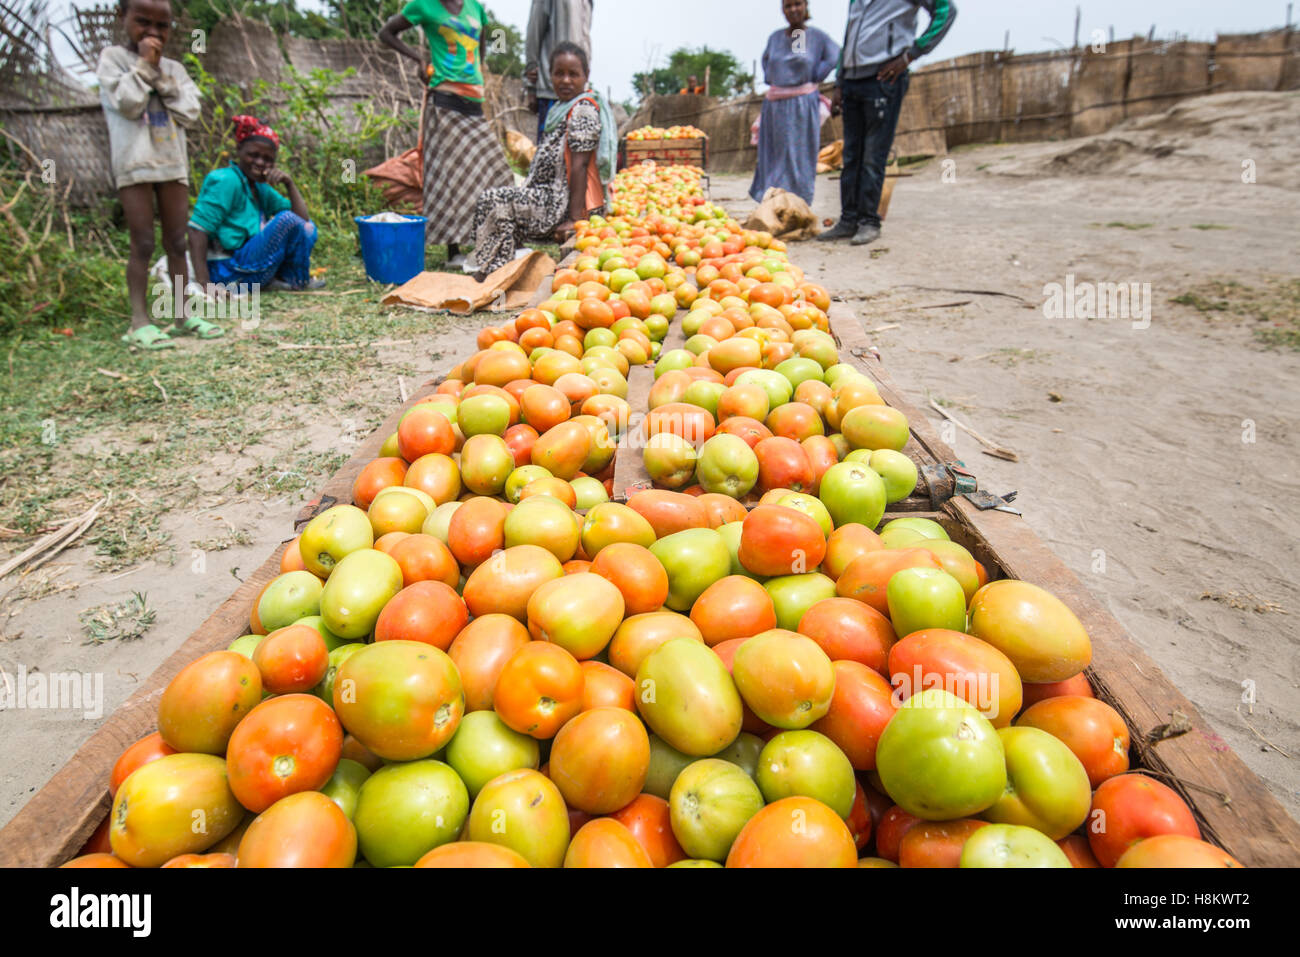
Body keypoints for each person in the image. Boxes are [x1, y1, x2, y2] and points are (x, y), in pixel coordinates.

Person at [96, 0, 205, 350]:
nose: (154, 33)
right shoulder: (113, 60)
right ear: (122, 18)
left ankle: (183, 314)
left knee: (177, 241)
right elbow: (128, 103)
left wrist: (162, 78)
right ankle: (139, 321)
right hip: (134, 165)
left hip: (172, 165)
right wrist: (145, 67)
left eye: (163, 26)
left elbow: (191, 111)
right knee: (142, 242)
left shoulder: (174, 68)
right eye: (143, 23)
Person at [380, 0, 514, 270]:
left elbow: (482, 47)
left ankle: (492, 239)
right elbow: (386, 33)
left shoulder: (475, 8)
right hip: (444, 100)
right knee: (450, 176)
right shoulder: (424, 6)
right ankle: (453, 251)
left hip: (474, 101)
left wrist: (476, 73)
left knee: (497, 169)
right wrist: (419, 58)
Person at [469, 41, 615, 281]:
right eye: (559, 74)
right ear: (550, 76)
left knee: (494, 201)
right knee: (498, 197)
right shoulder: (561, 108)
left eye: (573, 74)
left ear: (585, 76)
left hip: (563, 204)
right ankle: (506, 267)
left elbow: (579, 165)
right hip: (551, 197)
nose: (565, 80)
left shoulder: (583, 110)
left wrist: (574, 220)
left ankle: (495, 271)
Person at [819, 0, 957, 246]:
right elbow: (850, 34)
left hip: (882, 79)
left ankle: (869, 221)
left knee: (873, 155)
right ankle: (848, 219)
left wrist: (911, 54)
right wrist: (840, 81)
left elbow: (946, 11)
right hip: (852, 80)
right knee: (851, 156)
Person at [187, 116, 324, 295]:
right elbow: (197, 230)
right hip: (228, 271)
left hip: (252, 270)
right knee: (286, 219)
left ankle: (294, 280)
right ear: (239, 150)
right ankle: (280, 279)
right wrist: (204, 283)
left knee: (307, 227)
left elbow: (303, 220)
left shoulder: (258, 187)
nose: (260, 163)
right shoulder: (226, 181)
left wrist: (289, 184)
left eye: (268, 159)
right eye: (253, 155)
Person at [749, 0, 840, 206]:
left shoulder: (803, 36)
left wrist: (817, 74)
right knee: (774, 156)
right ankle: (773, 205)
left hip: (798, 106)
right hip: (775, 106)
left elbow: (802, 62)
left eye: (797, 4)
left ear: (806, 6)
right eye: (788, 6)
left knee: (796, 156)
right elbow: (768, 63)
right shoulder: (776, 37)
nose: (793, 10)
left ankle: (796, 206)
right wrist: (775, 80)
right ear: (783, 10)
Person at [525, 0, 594, 144]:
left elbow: (585, 38)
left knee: (577, 149)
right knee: (549, 148)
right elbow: (534, 32)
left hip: (579, 94)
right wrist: (530, 84)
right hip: (552, 91)